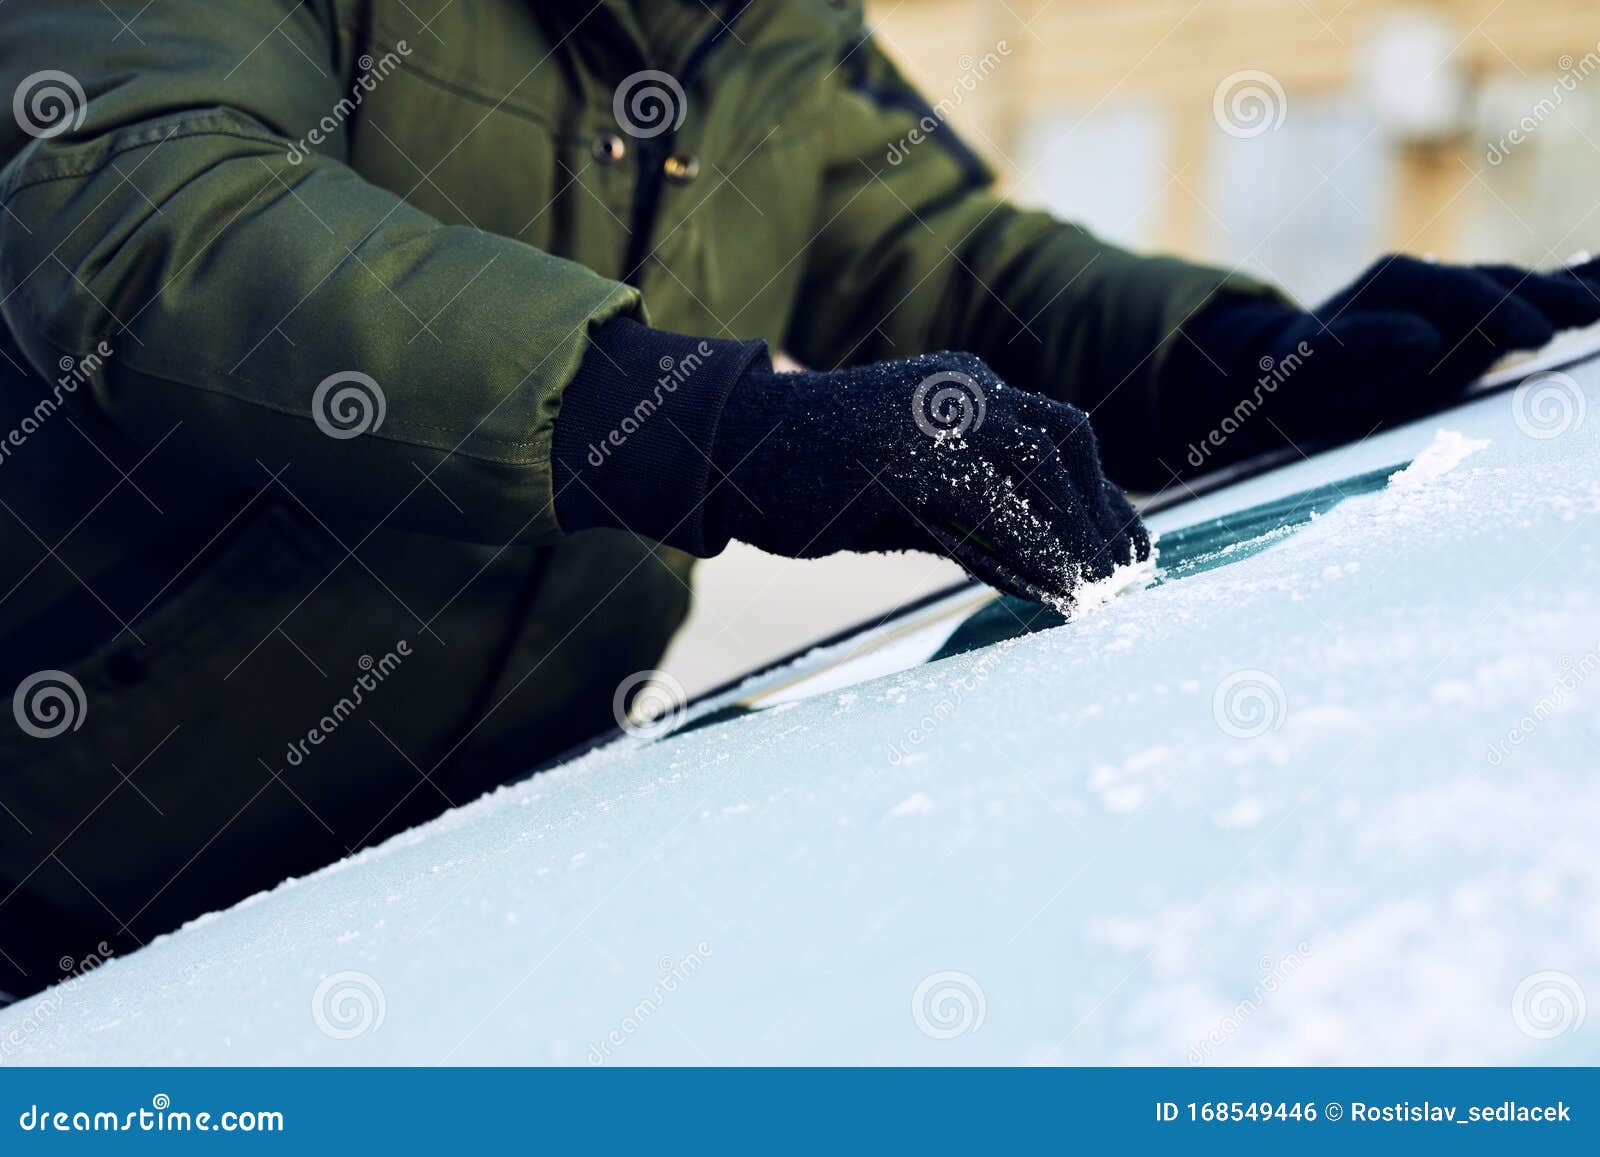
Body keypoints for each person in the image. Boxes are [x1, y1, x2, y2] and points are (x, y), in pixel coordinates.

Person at [1, 0, 1596, 999]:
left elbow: (925, 255)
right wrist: (700, 423)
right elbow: (142, 210)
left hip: (462, 889)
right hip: (77, 888)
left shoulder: (767, 33)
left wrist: (1238, 357)